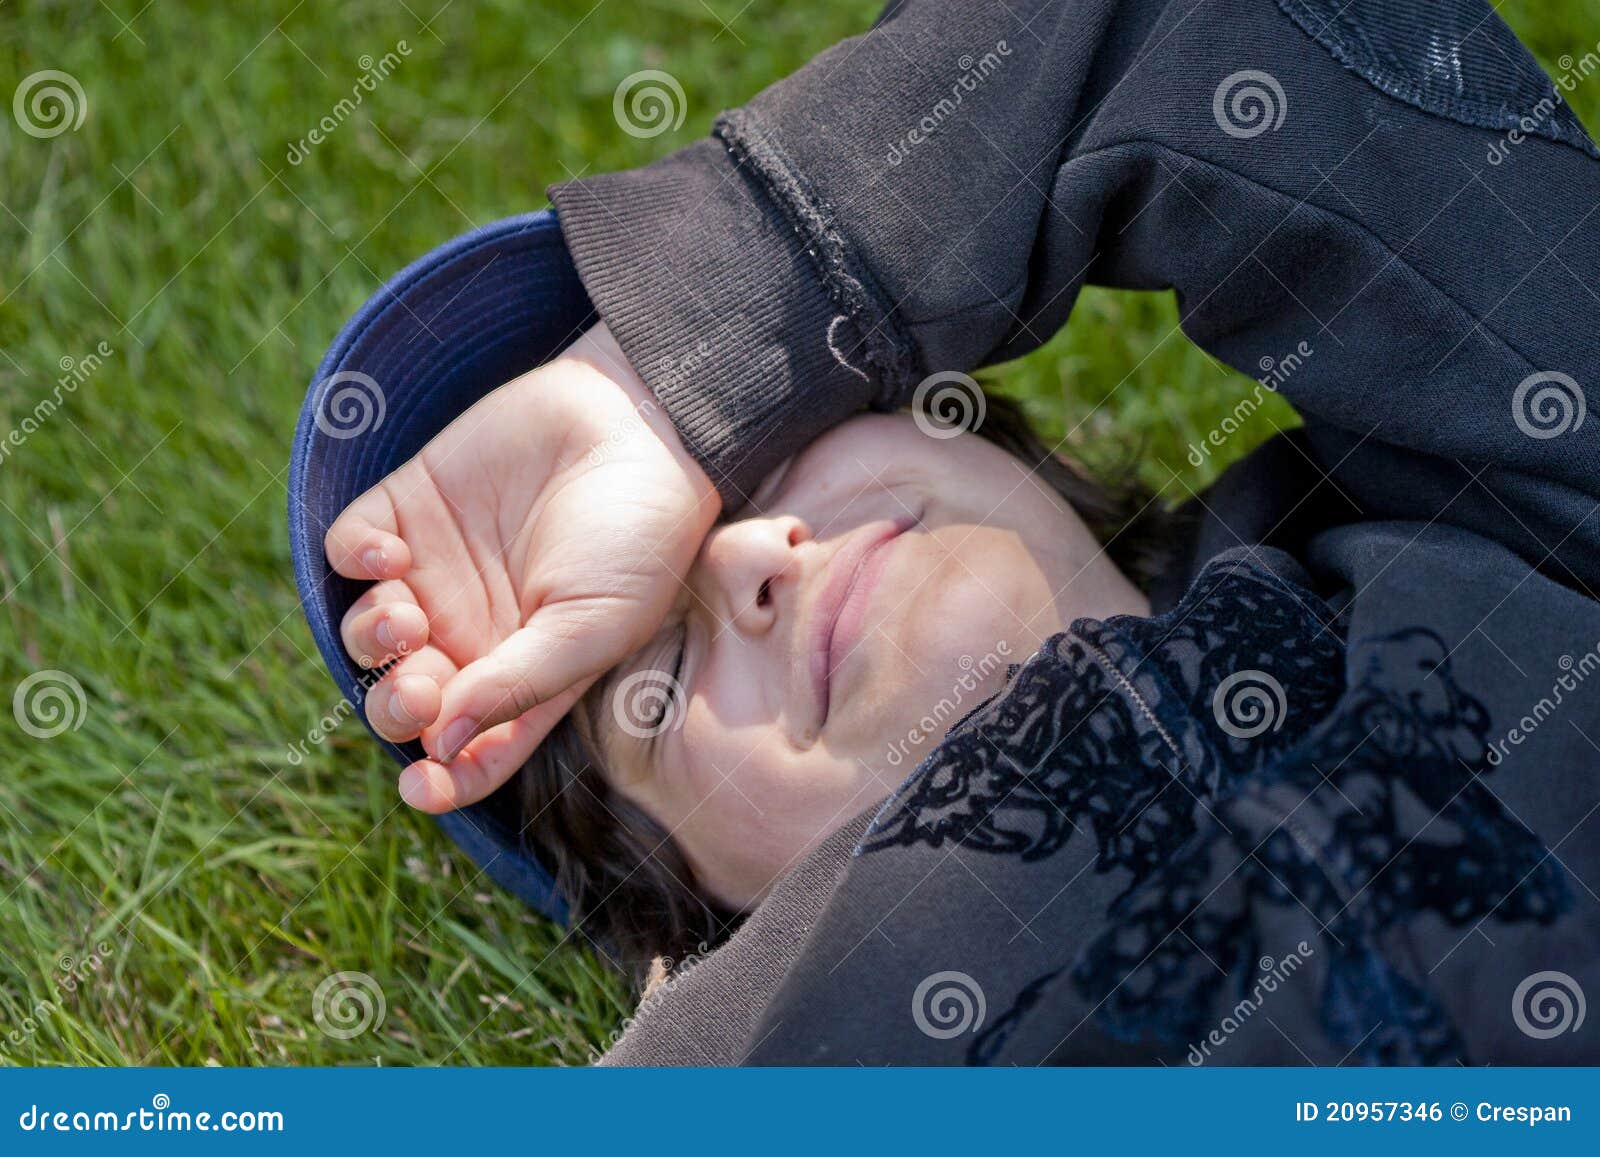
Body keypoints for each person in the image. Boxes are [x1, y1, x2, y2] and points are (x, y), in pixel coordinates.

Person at [323, 0, 1600, 1064]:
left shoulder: (1496, 518)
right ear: (693, 925)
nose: (742, 559)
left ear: (956, 413)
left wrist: (675, 380)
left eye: (754, 462)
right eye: (654, 687)